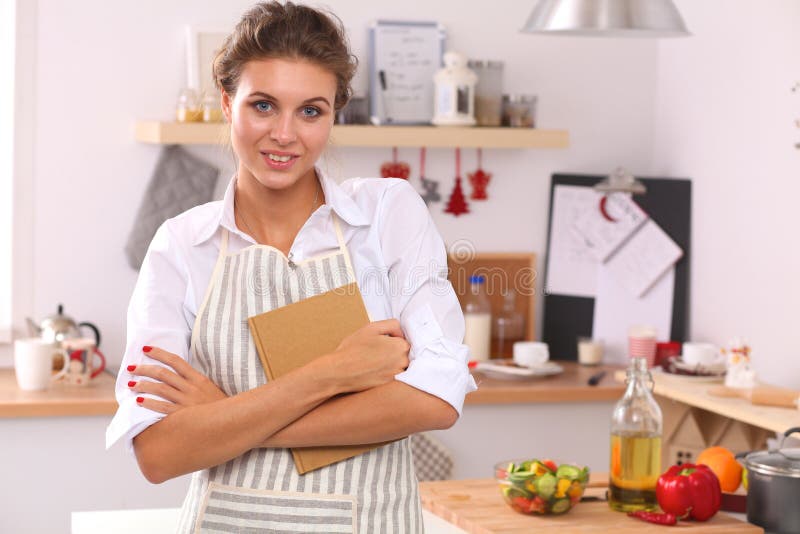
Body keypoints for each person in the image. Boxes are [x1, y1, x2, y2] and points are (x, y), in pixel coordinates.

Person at [106, 2, 476, 532]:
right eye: (263, 105)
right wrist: (332, 374)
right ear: (227, 102)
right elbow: (160, 454)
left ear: (333, 114)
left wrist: (225, 416)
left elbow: (437, 398)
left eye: (310, 111)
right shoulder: (182, 246)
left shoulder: (386, 215)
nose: (285, 134)